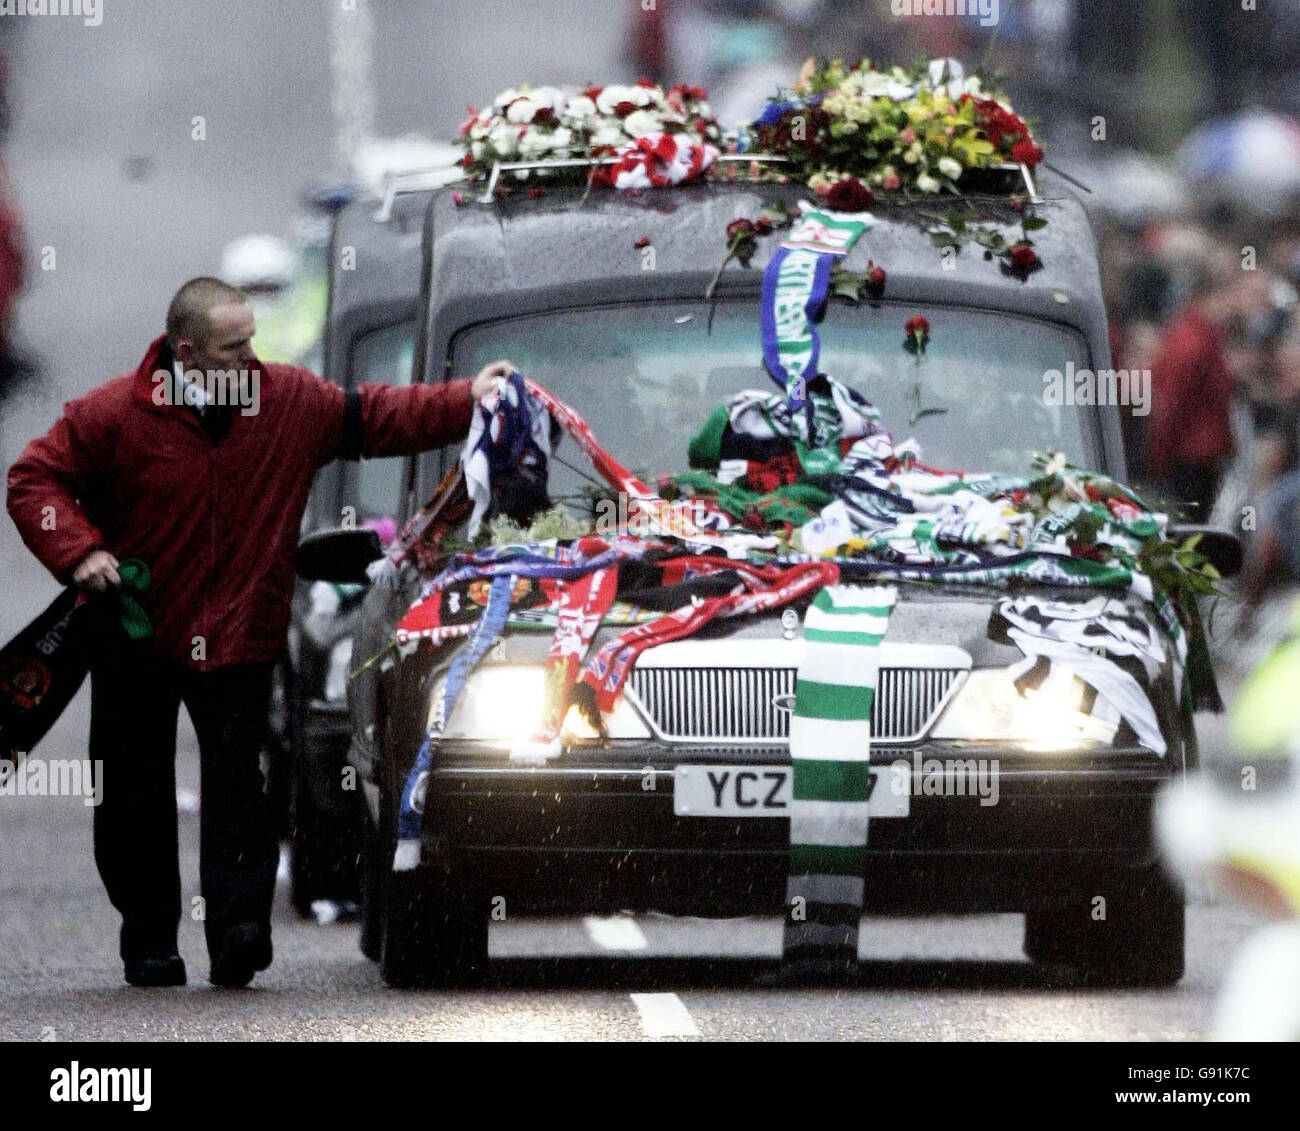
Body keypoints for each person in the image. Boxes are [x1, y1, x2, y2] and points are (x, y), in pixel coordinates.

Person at [6, 277, 505, 988]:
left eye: (252, 340)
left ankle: (238, 931)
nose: (251, 358)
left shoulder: (289, 401)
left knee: (244, 791)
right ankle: (148, 936)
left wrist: (469, 398)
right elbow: (33, 480)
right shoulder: (112, 414)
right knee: (132, 794)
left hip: (242, 633)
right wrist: (80, 549)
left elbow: (378, 416)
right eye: (233, 346)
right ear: (187, 353)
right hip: (135, 635)